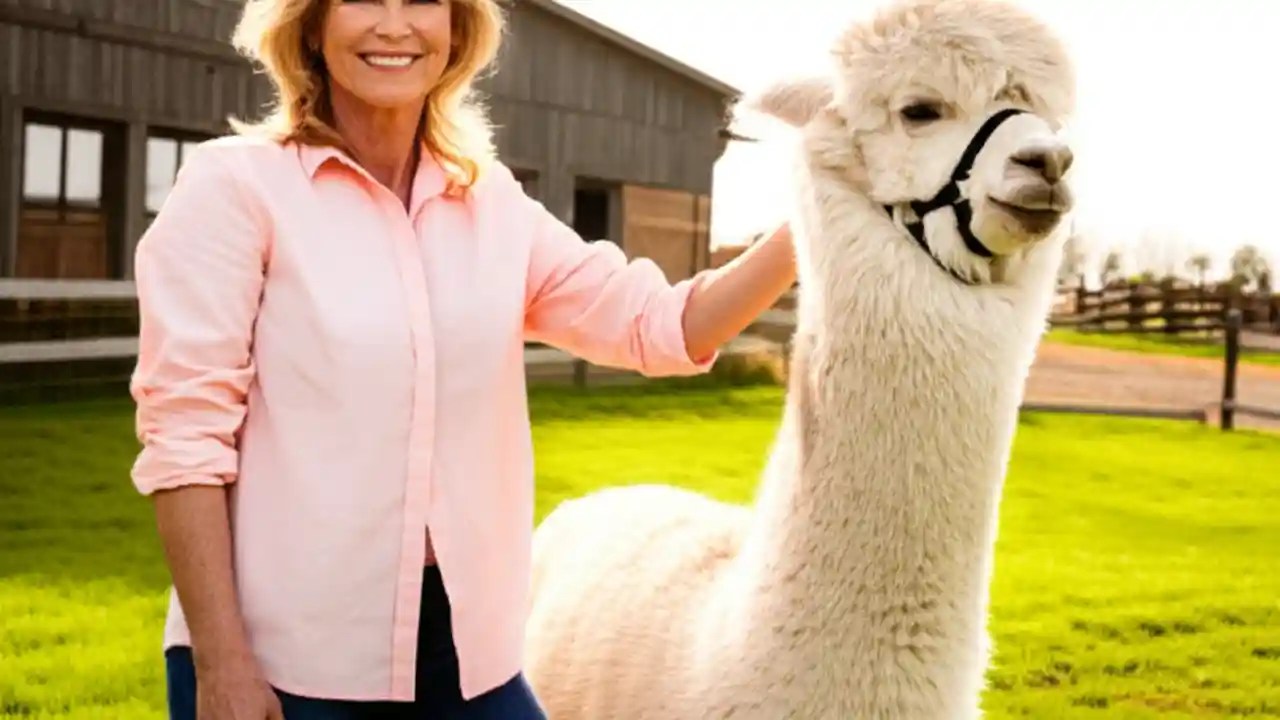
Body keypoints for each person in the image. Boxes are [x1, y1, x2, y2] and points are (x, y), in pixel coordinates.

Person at [128, 0, 797, 718]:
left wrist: (819, 216)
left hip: (468, 657)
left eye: (422, 1)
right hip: (284, 660)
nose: (394, 24)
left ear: (457, 28)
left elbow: (660, 326)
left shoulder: (491, 202)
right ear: (313, 25)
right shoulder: (236, 188)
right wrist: (221, 661)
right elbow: (186, 443)